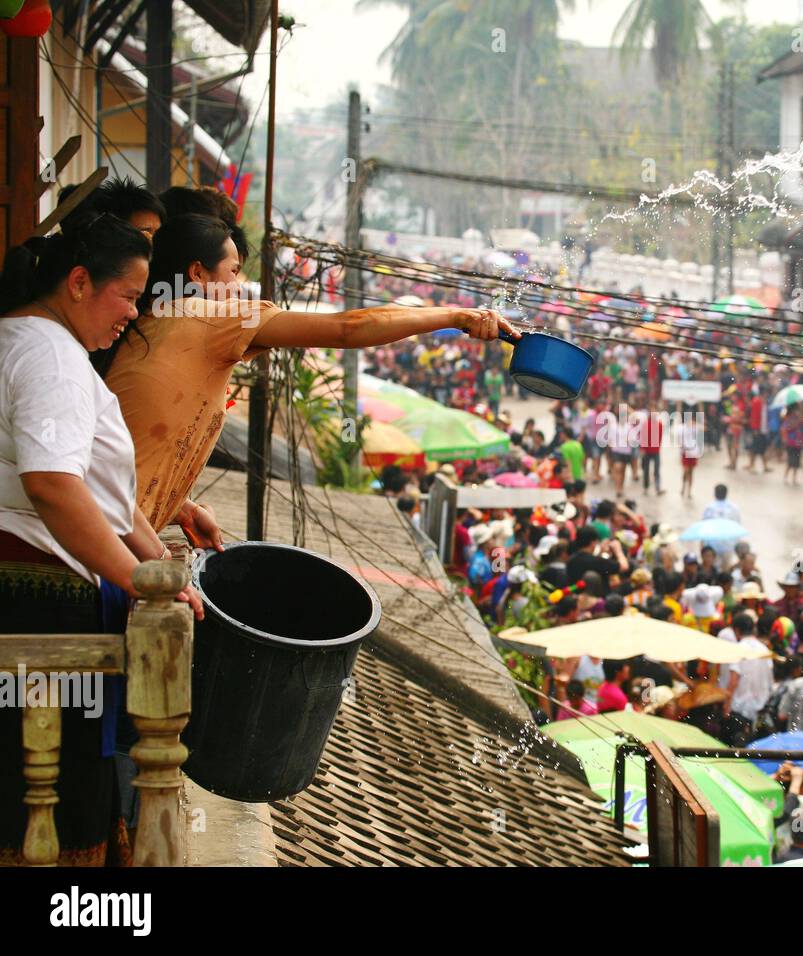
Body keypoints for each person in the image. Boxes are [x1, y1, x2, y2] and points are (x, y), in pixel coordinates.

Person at [0, 215, 203, 866]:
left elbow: (105, 496)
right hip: (38, 598)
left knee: (62, 786)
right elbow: (55, 487)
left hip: (50, 592)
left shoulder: (42, 346)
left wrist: (159, 564)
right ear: (79, 282)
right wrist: (136, 578)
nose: (134, 315)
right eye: (127, 296)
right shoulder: (49, 356)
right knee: (52, 800)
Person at [101, 214, 512, 533]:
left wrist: (181, 508)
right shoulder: (207, 315)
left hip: (110, 522)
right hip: (111, 537)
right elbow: (347, 329)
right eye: (232, 271)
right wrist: (458, 316)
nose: (240, 285)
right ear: (197, 274)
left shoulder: (156, 318)